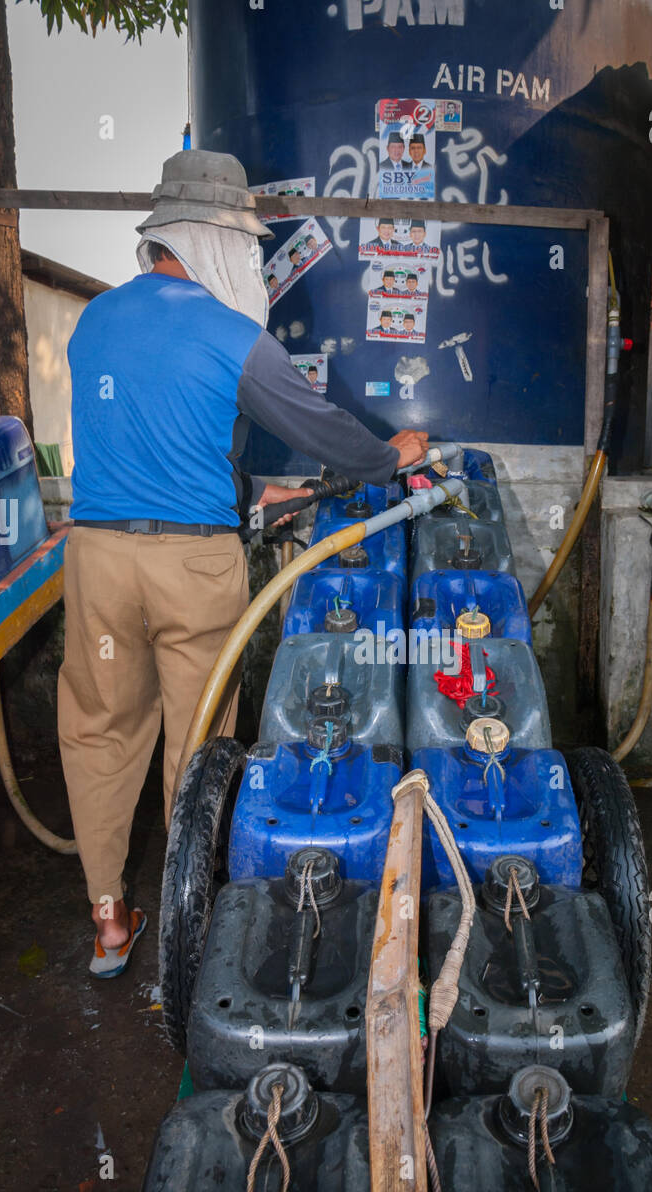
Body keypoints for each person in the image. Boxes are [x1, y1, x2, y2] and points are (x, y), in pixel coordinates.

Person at [60, 149, 428, 978]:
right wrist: (387, 458)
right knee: (199, 744)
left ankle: (111, 924)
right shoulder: (234, 337)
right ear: (214, 242)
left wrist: (247, 489)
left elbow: (148, 441)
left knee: (100, 728)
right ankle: (193, 924)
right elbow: (319, 423)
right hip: (193, 568)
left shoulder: (93, 321)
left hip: (96, 561)